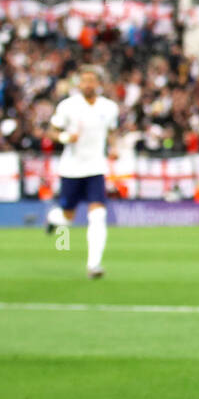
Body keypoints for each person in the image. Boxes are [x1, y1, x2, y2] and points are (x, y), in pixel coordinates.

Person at [45, 67, 119, 278]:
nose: (88, 84)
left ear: (98, 83)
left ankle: (94, 265)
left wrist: (113, 148)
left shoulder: (109, 107)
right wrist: (65, 138)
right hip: (72, 169)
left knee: (98, 215)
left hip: (96, 168)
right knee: (67, 217)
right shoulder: (68, 106)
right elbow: (52, 131)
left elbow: (111, 132)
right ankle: (53, 218)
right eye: (84, 81)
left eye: (91, 81)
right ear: (78, 84)